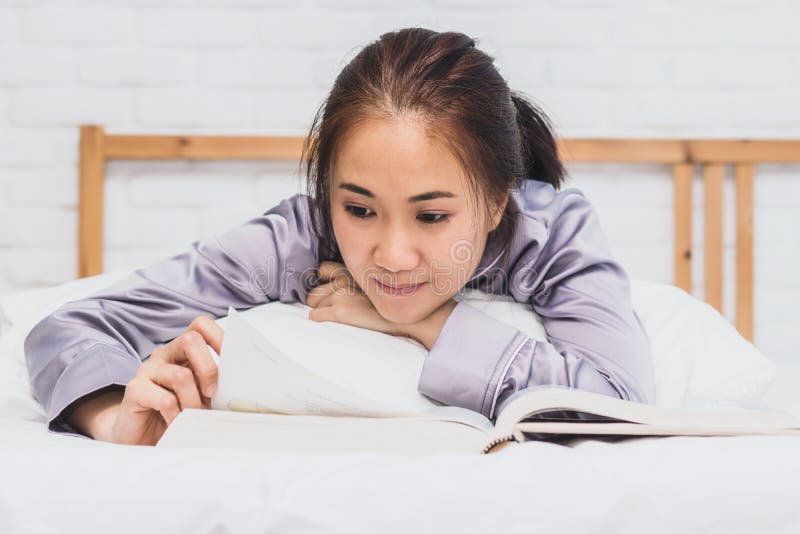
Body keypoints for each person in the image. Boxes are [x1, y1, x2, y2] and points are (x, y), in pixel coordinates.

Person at [24, 28, 655, 446]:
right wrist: (111, 419)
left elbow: (623, 400)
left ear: (495, 202)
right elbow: (67, 330)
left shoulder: (551, 231)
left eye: (432, 216)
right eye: (359, 209)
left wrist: (425, 323)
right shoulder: (300, 238)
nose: (392, 255)